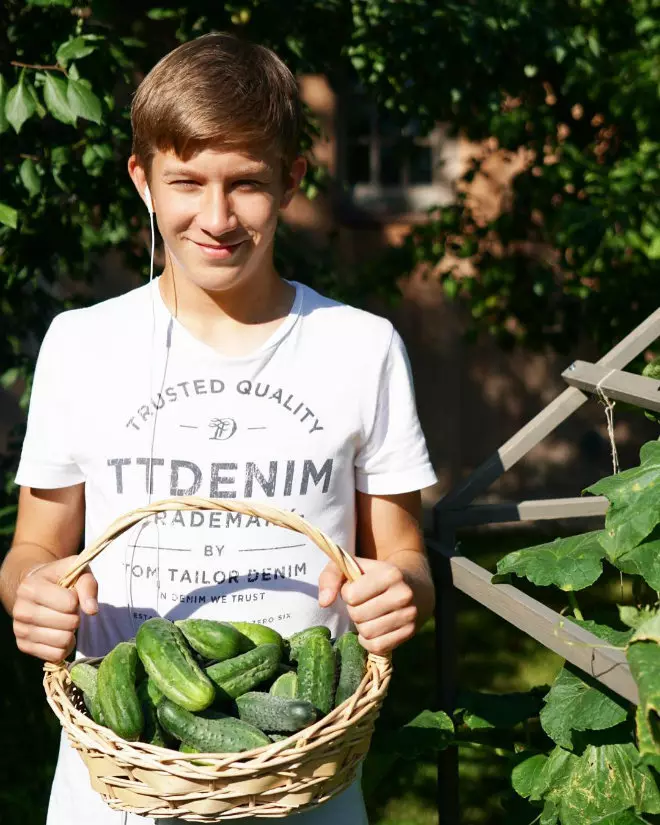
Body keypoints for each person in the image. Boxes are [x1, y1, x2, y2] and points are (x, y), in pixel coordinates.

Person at [0, 32, 437, 825]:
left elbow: (404, 556)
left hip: (304, 777)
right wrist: (29, 590)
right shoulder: (81, 343)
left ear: (293, 180)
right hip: (120, 778)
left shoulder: (361, 345)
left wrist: (401, 592)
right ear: (143, 180)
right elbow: (35, 547)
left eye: (247, 184)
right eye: (186, 182)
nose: (216, 216)